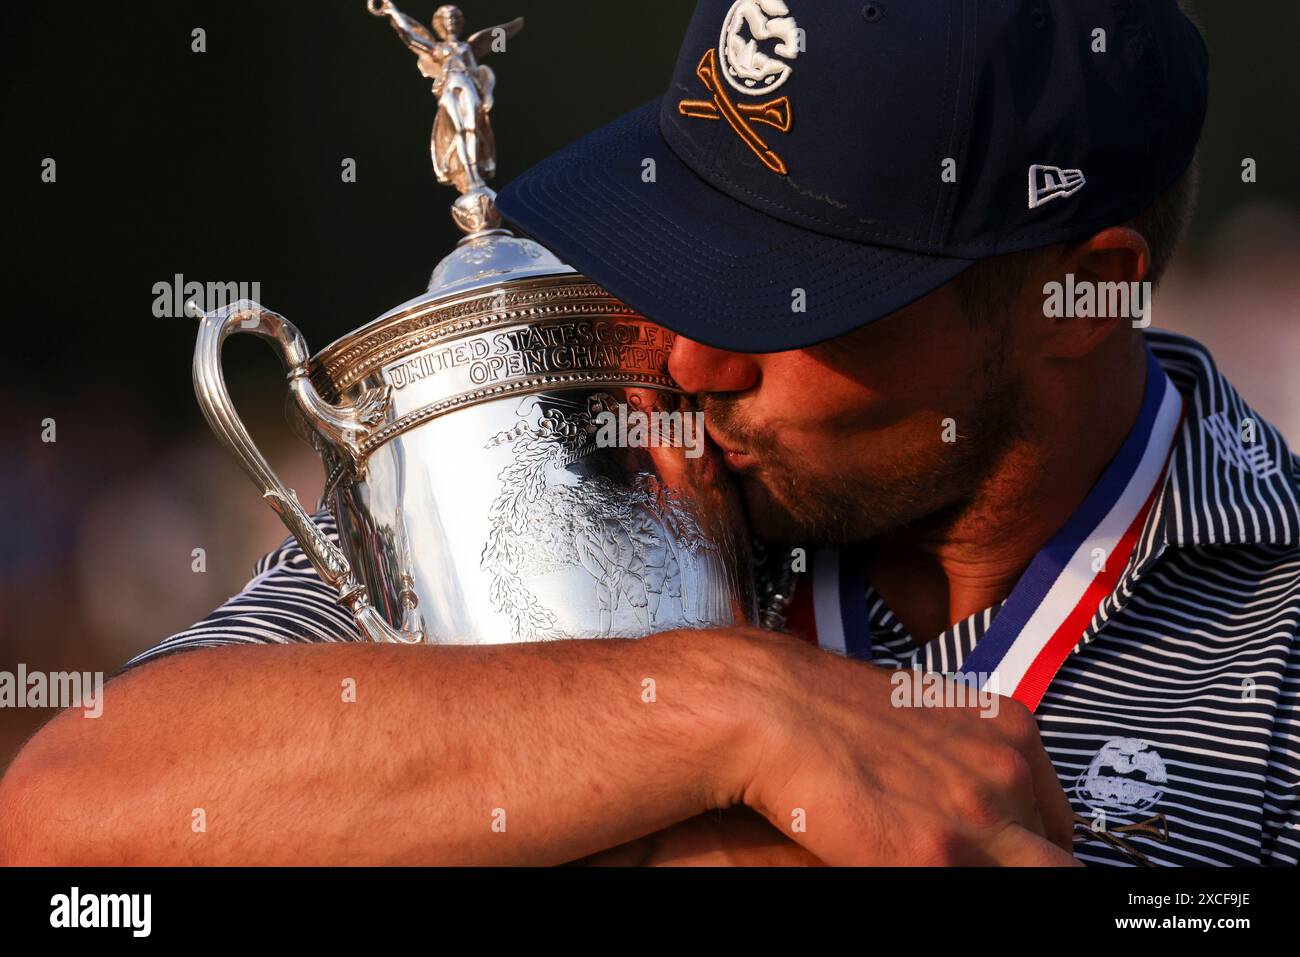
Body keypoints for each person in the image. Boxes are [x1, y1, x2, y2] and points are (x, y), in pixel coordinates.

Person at [2, 0, 1296, 867]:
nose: (689, 355)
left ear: (1088, 291)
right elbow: (65, 814)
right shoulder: (580, 442)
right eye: (697, 246)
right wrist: (728, 705)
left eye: (801, 294)